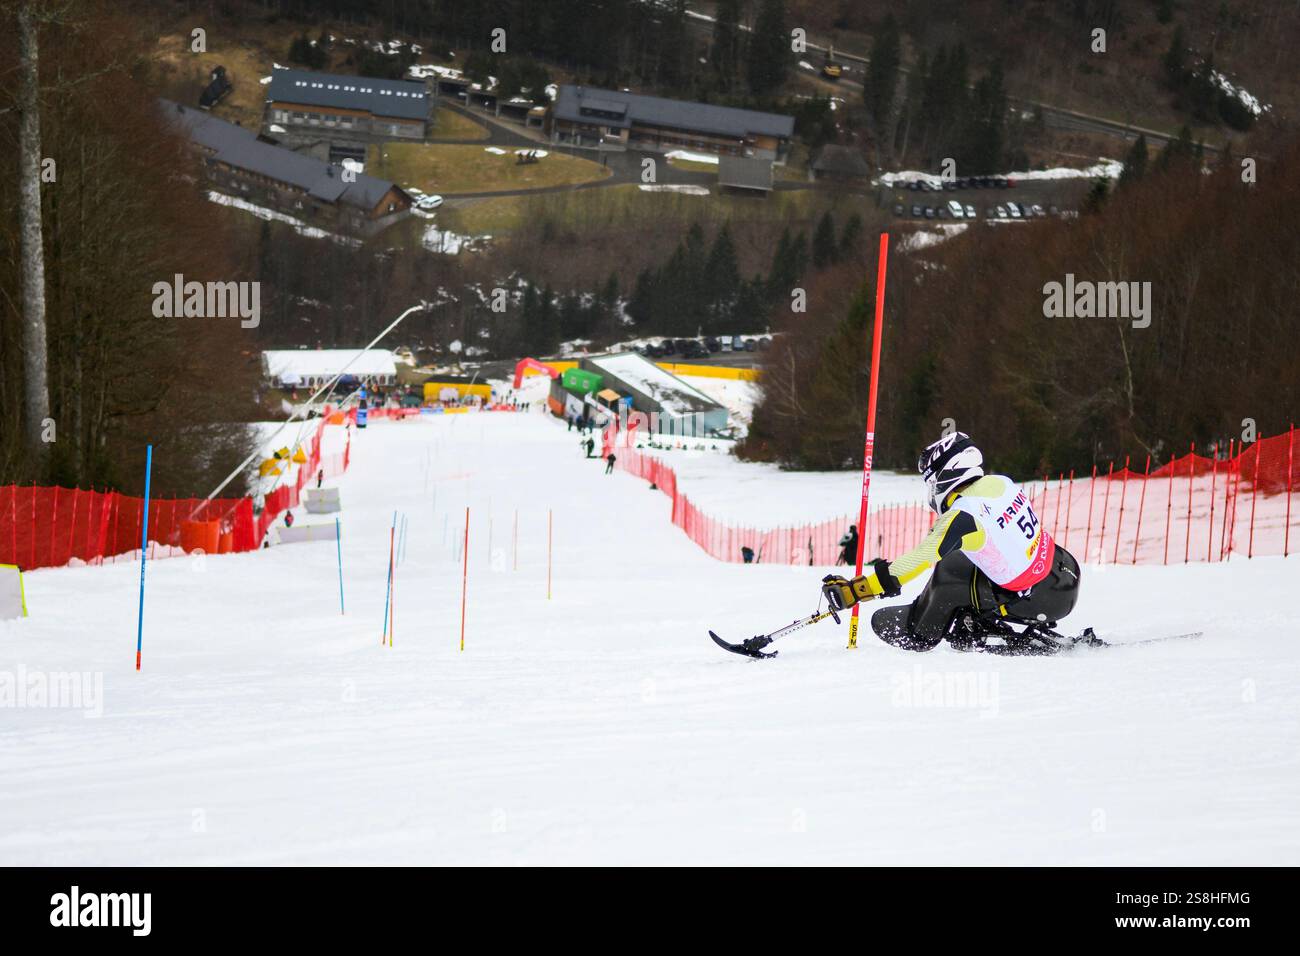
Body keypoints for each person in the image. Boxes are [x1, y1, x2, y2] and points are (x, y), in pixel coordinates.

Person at [820, 432, 1080, 652]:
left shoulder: (965, 514)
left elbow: (922, 556)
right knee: (967, 557)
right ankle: (972, 618)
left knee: (947, 571)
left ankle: (919, 631)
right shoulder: (999, 483)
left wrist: (860, 589)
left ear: (944, 476)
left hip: (1039, 599)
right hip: (1062, 571)